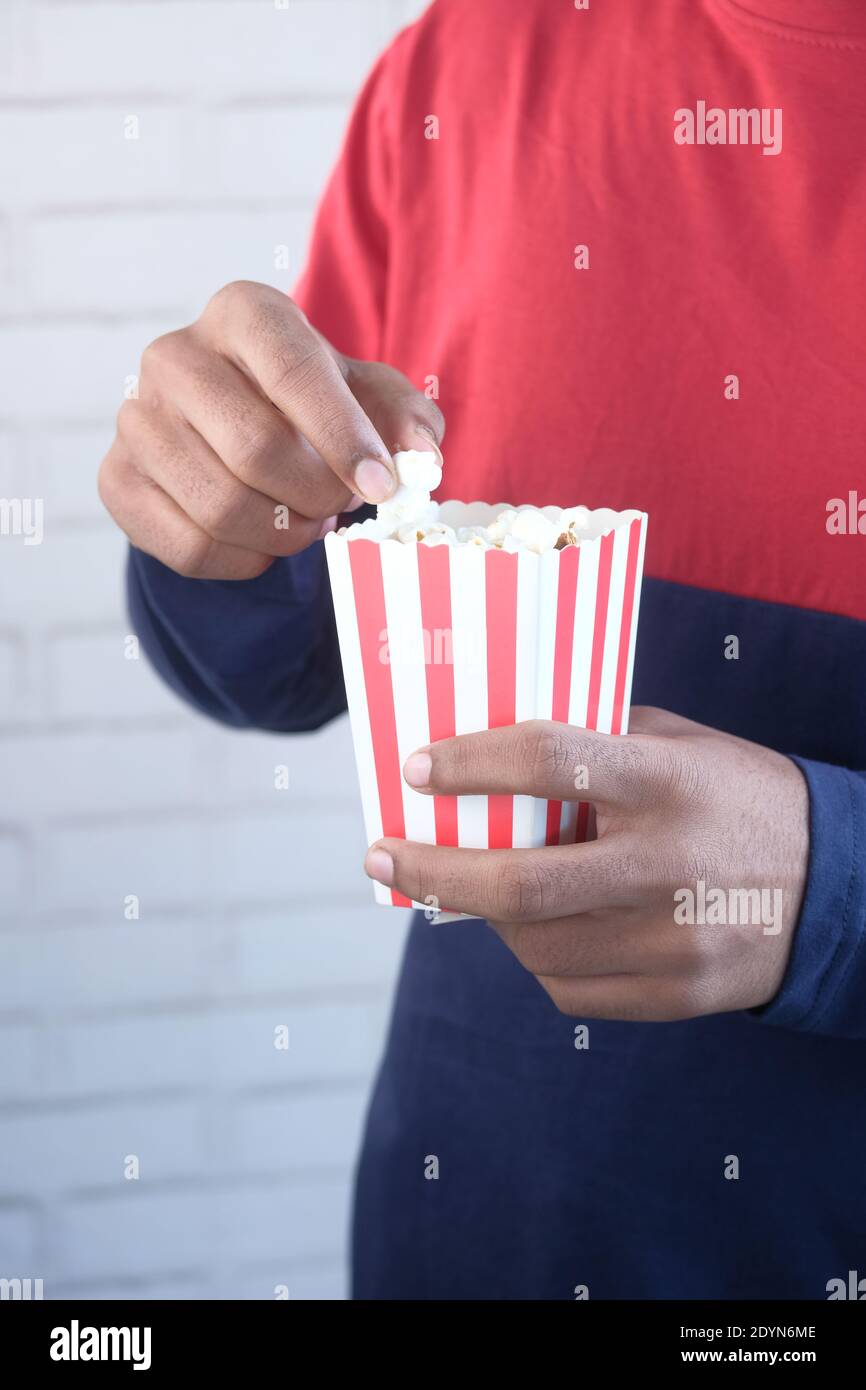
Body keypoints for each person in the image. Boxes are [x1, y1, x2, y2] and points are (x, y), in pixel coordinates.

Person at [98, 0, 866, 1300]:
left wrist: (832, 890)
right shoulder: (466, 61)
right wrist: (216, 514)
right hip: (471, 1229)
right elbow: (280, 665)